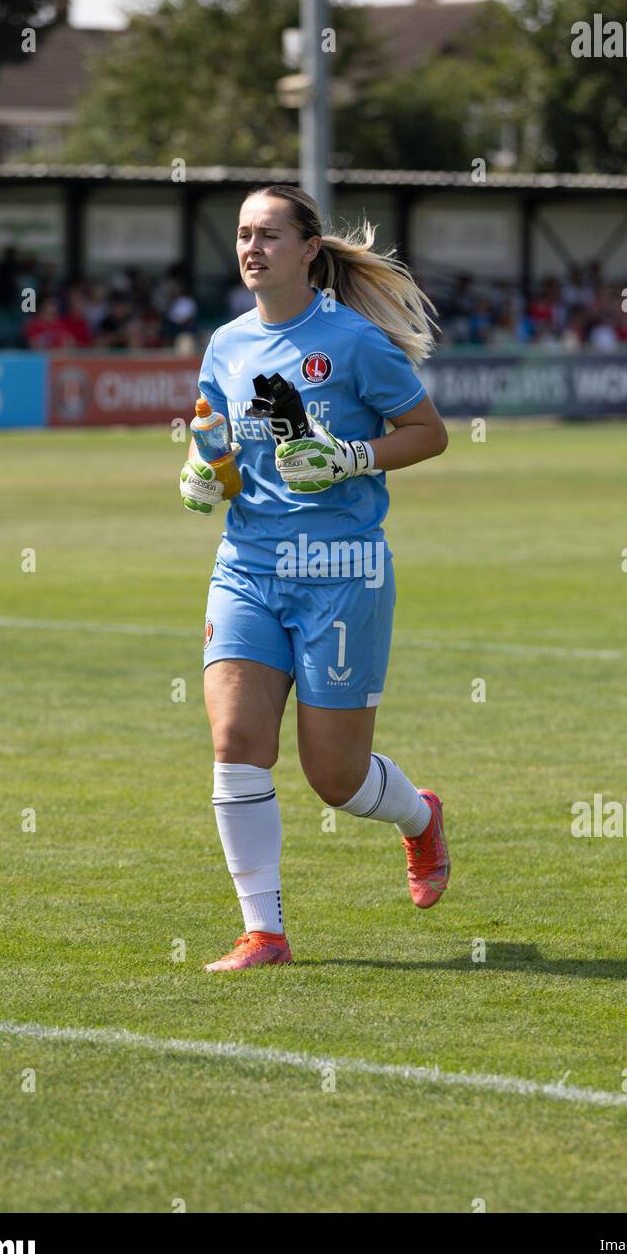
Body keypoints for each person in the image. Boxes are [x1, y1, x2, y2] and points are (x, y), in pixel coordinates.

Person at [179, 183, 450, 971]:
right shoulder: (226, 344)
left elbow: (428, 433)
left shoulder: (355, 342)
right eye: (241, 235)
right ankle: (263, 932)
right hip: (247, 570)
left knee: (334, 778)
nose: (250, 248)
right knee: (235, 742)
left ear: (308, 250)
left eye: (266, 234)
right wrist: (200, 472)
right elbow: (214, 438)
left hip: (342, 574)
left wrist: (349, 457)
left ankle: (419, 816)